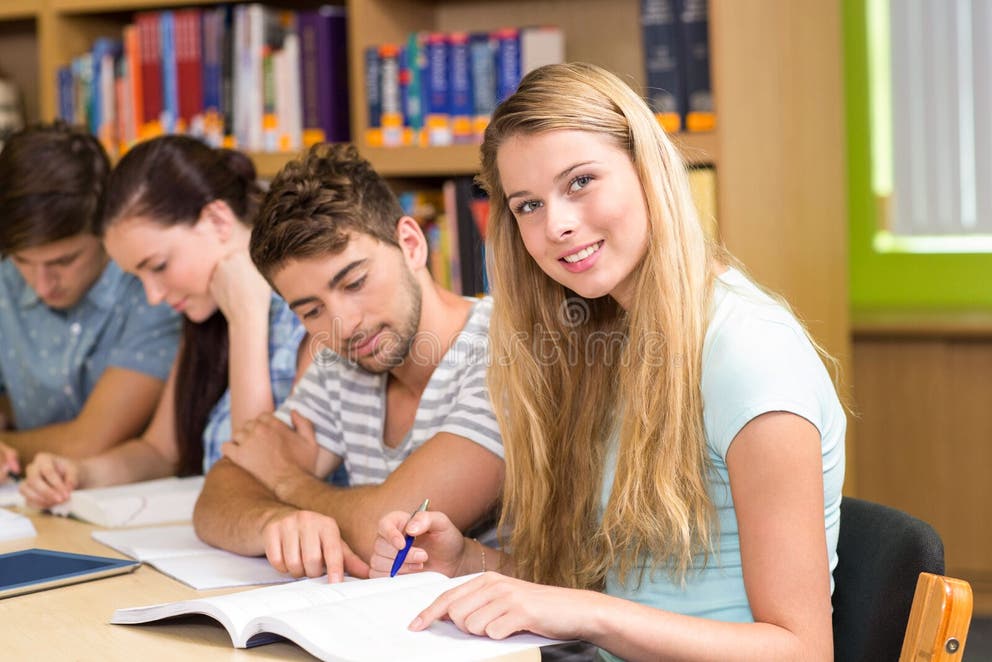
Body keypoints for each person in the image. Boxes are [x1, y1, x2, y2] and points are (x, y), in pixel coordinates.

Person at [371, 62, 846, 661]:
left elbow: (802, 651)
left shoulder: (749, 353)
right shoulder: (605, 338)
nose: (557, 225)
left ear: (647, 170)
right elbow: (624, 591)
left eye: (580, 182)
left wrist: (591, 615)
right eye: (528, 205)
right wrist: (467, 561)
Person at [191, 143, 505, 583]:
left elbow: (392, 530)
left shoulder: (502, 352)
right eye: (311, 310)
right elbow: (219, 492)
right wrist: (274, 523)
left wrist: (286, 482)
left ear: (411, 244)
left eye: (355, 282)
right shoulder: (340, 363)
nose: (344, 325)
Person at [18, 135, 308, 508]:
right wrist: (79, 473)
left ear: (217, 220)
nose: (153, 296)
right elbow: (160, 451)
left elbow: (259, 478)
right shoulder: (206, 312)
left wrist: (246, 321)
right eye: (138, 277)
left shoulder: (308, 311)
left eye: (158, 266)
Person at [0, 123, 179, 477]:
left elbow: (88, 443)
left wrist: (8, 446)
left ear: (105, 232)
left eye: (64, 261)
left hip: (126, 496)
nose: (41, 285)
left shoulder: (153, 290)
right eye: (23, 261)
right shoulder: (5, 278)